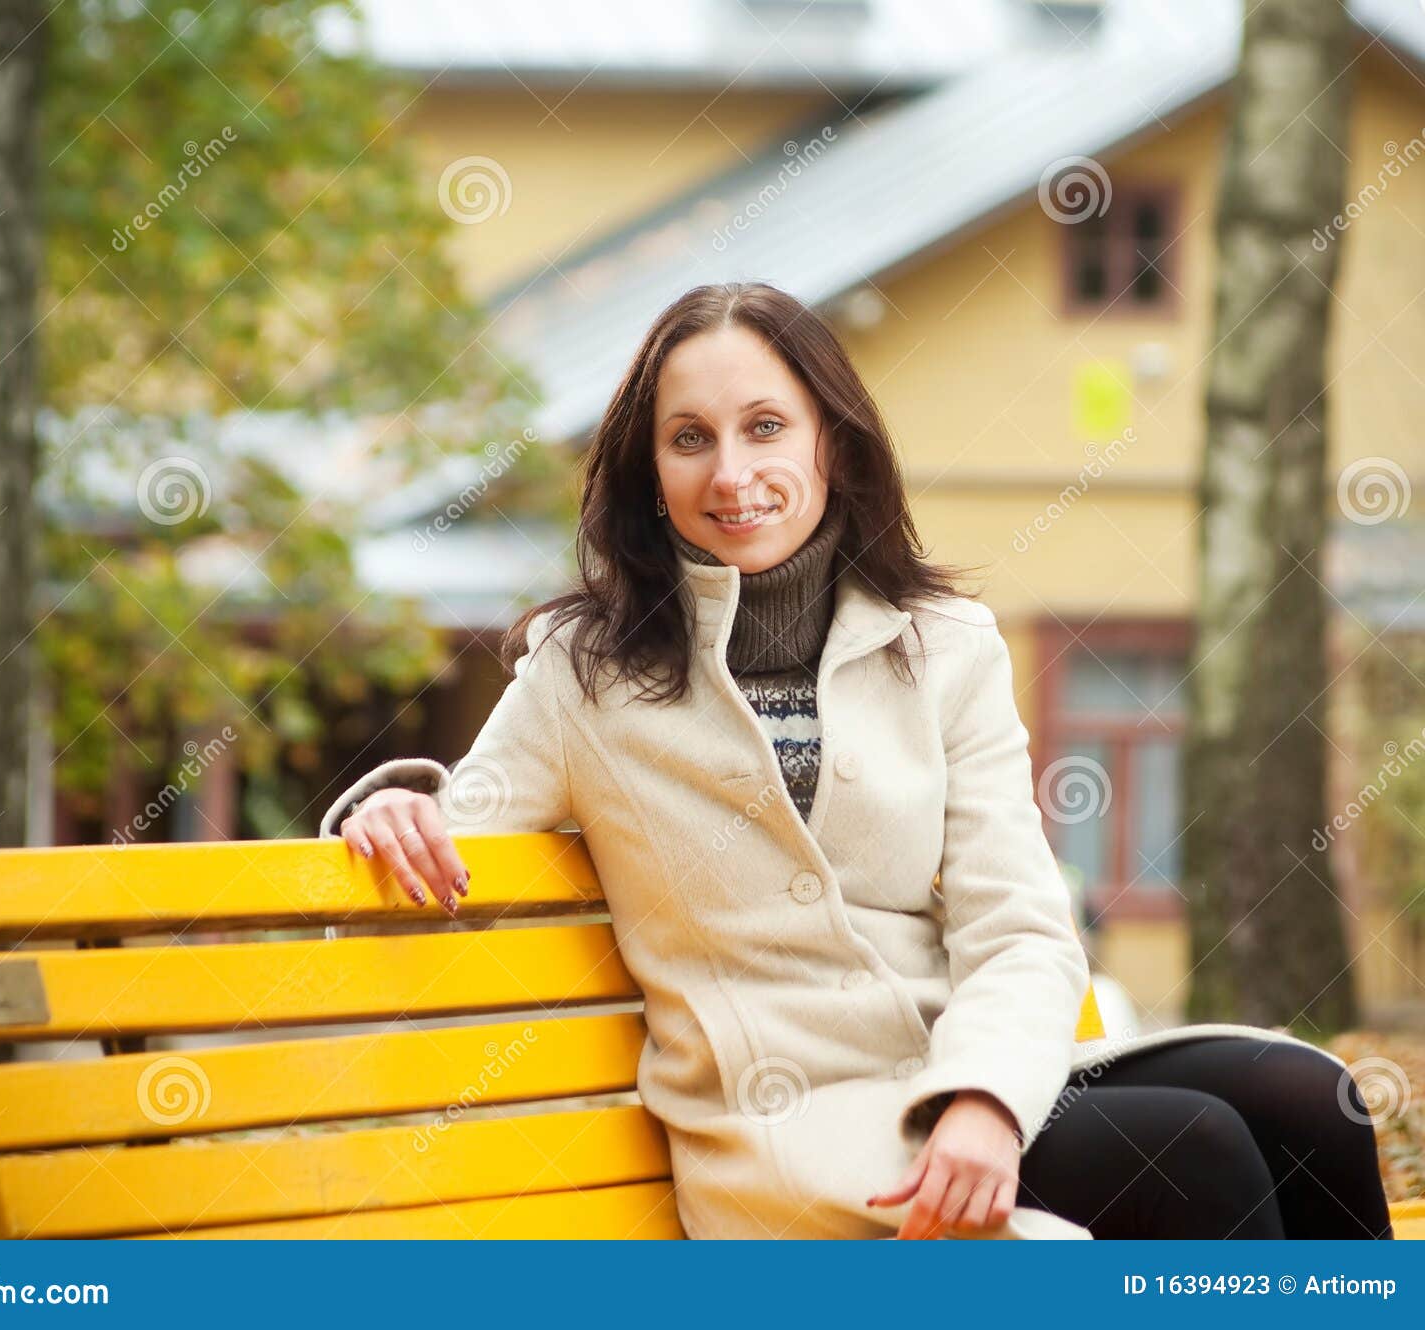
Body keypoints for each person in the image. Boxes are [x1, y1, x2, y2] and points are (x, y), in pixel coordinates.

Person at [321, 282, 1392, 1240]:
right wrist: (390, 808)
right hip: (795, 1139)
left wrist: (978, 1098)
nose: (730, 472)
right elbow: (454, 823)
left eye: (765, 427)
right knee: (1192, 1152)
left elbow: (1018, 925)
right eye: (688, 438)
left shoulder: (943, 645)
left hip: (951, 1079)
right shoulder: (586, 671)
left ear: (831, 441)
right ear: (650, 470)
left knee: (1302, 1096)